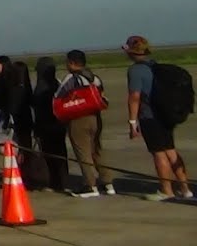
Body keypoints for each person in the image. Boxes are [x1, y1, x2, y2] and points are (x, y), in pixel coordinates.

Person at [123, 35, 194, 201]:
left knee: (159, 153)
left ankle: (166, 190)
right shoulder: (155, 66)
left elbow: (135, 96)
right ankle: (185, 189)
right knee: (171, 151)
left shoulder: (135, 70)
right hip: (165, 115)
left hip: (150, 117)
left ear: (131, 52)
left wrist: (133, 122)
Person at [57, 49, 115, 197]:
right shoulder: (94, 78)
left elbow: (58, 97)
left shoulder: (71, 78)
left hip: (78, 119)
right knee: (97, 150)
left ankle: (90, 185)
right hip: (95, 117)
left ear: (71, 62)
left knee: (83, 152)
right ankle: (108, 183)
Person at [32, 56, 69, 192]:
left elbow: (40, 109)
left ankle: (55, 182)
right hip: (59, 124)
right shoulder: (57, 83)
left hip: (46, 125)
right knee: (60, 153)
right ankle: (62, 181)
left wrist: (36, 128)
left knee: (50, 154)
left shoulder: (41, 86)